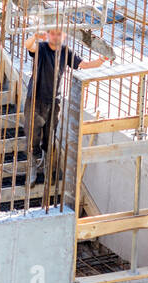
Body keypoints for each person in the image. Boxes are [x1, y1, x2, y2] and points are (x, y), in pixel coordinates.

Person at [23, 29, 108, 184]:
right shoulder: (40, 48)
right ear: (48, 35)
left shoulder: (66, 51)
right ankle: (32, 168)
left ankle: (48, 167)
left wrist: (101, 60)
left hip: (54, 100)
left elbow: (84, 65)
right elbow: (28, 45)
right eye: (52, 34)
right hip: (35, 99)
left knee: (50, 135)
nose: (56, 37)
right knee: (32, 135)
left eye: (59, 34)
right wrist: (35, 36)